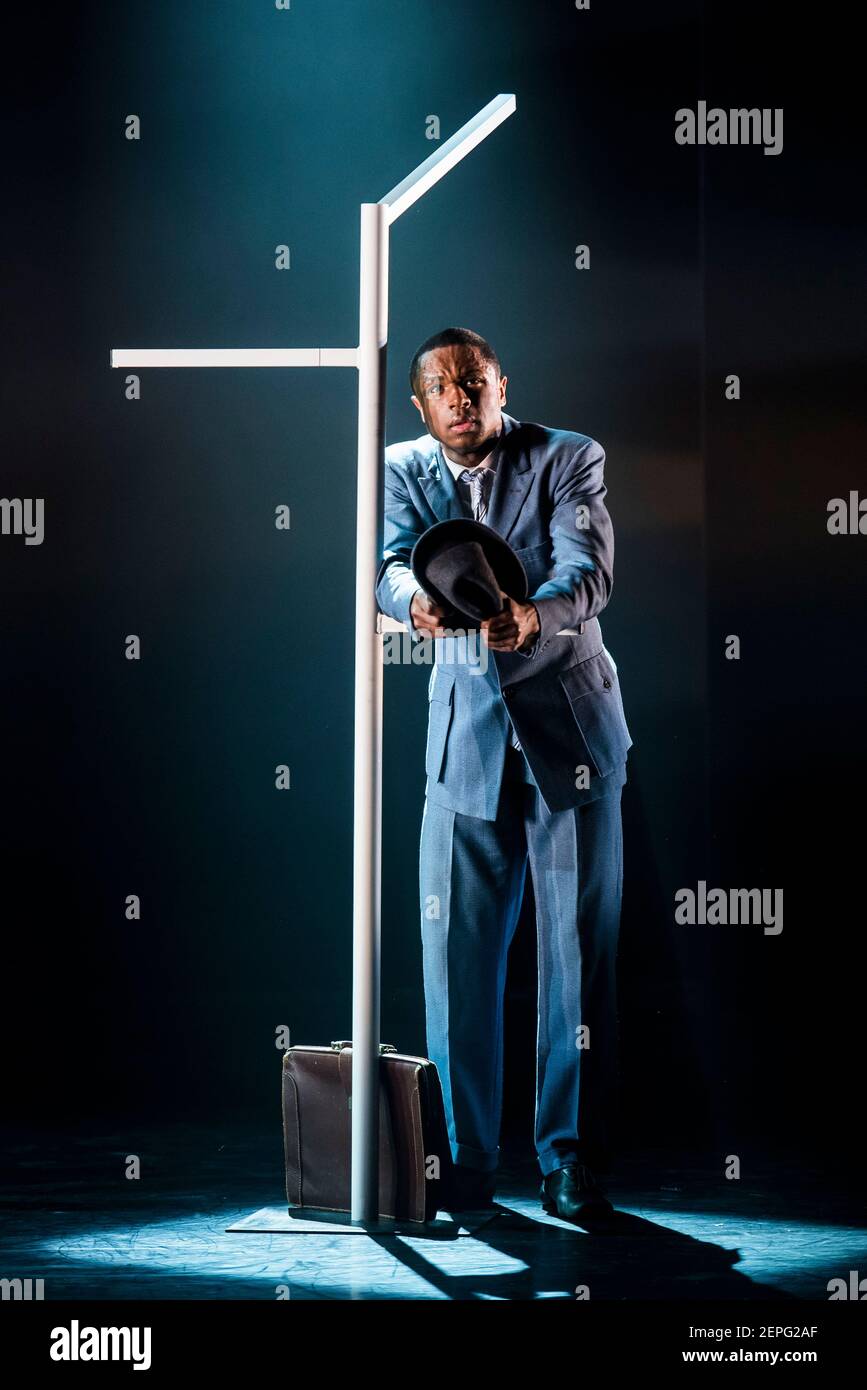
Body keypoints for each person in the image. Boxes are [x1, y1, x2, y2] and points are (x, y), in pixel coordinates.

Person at [375, 327, 632, 1226]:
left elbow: (586, 569)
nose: (459, 399)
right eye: (441, 389)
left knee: (577, 962)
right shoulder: (402, 463)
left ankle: (570, 1162)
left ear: (499, 384)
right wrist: (408, 600)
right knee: (455, 964)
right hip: (463, 748)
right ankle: (467, 1162)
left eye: (473, 383)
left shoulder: (566, 456)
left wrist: (538, 615)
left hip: (571, 740)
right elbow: (386, 559)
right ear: (420, 403)